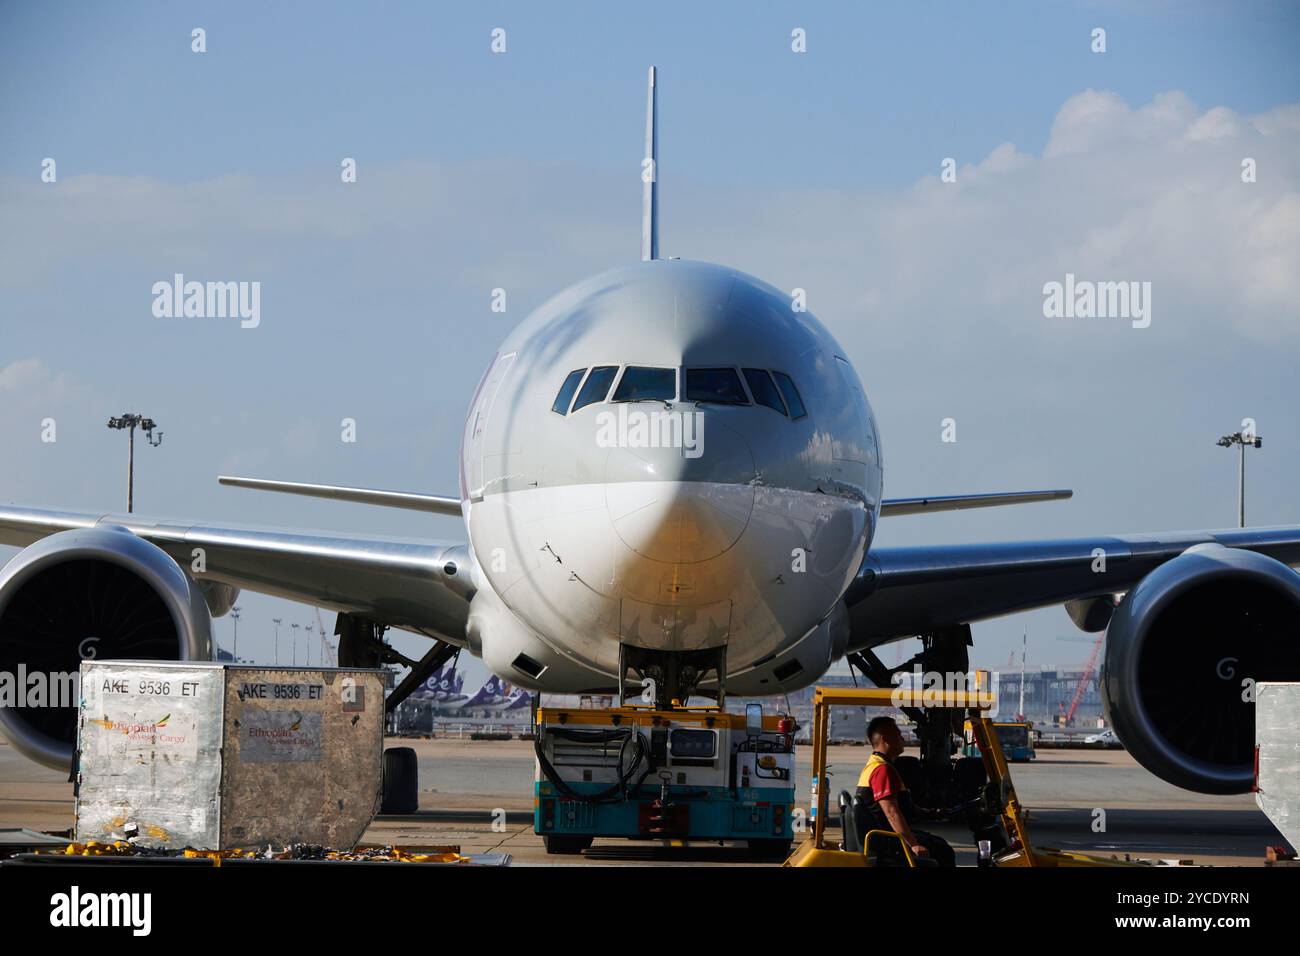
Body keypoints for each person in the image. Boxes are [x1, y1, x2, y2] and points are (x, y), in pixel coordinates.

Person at [855, 715, 956, 866]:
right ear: (885, 738)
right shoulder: (882, 770)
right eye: (897, 733)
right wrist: (913, 844)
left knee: (938, 844)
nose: (902, 738)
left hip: (887, 836)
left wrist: (931, 813)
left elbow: (900, 806)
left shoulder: (876, 765)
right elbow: (891, 812)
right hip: (889, 840)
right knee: (943, 850)